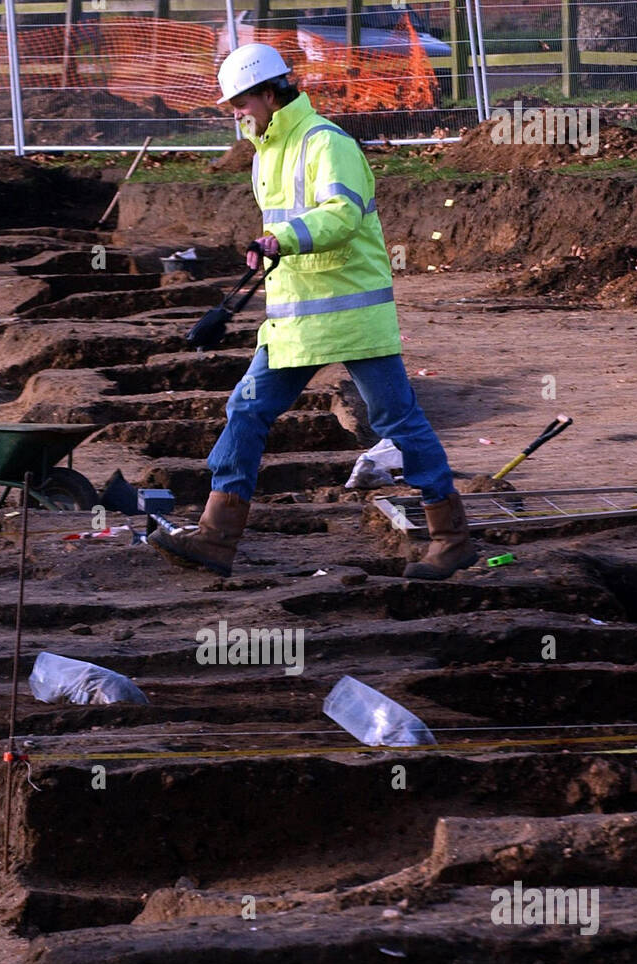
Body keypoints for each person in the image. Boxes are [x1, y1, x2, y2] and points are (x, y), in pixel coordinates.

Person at [148, 42, 477, 581]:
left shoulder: (326, 142)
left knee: (396, 421)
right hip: (296, 323)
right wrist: (272, 243)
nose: (235, 111)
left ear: (269, 92)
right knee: (246, 411)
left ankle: (451, 538)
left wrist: (279, 237)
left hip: (350, 320)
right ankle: (215, 536)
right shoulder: (266, 150)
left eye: (240, 100)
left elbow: (341, 214)